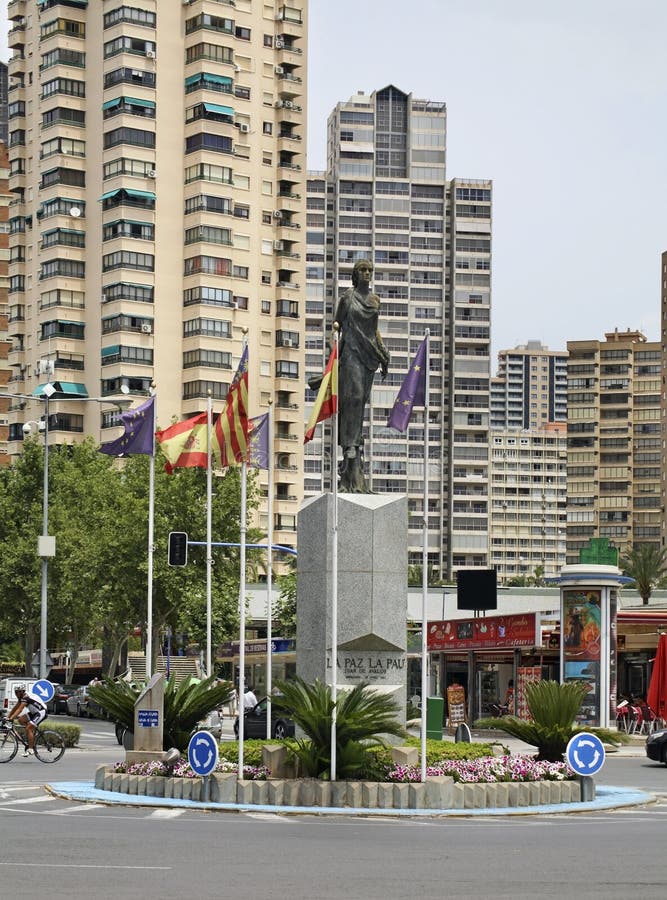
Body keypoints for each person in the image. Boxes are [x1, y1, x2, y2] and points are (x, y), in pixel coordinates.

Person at [334, 259, 390, 493]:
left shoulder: (375, 300)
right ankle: (349, 445)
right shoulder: (347, 298)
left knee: (361, 402)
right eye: (362, 270)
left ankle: (354, 448)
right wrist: (333, 353)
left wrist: (382, 350)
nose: (367, 274)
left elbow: (374, 329)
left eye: (369, 270)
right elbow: (336, 325)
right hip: (350, 353)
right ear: (356, 275)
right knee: (353, 398)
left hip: (369, 356)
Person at [6, 683, 47, 756]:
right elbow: (15, 708)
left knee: (28, 728)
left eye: (17, 692)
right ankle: (31, 735)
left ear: (22, 692)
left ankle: (31, 749)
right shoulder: (21, 698)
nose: (16, 694)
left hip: (41, 712)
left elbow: (20, 710)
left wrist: (11, 718)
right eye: (15, 692)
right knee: (21, 720)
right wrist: (8, 716)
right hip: (34, 712)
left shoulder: (26, 697)